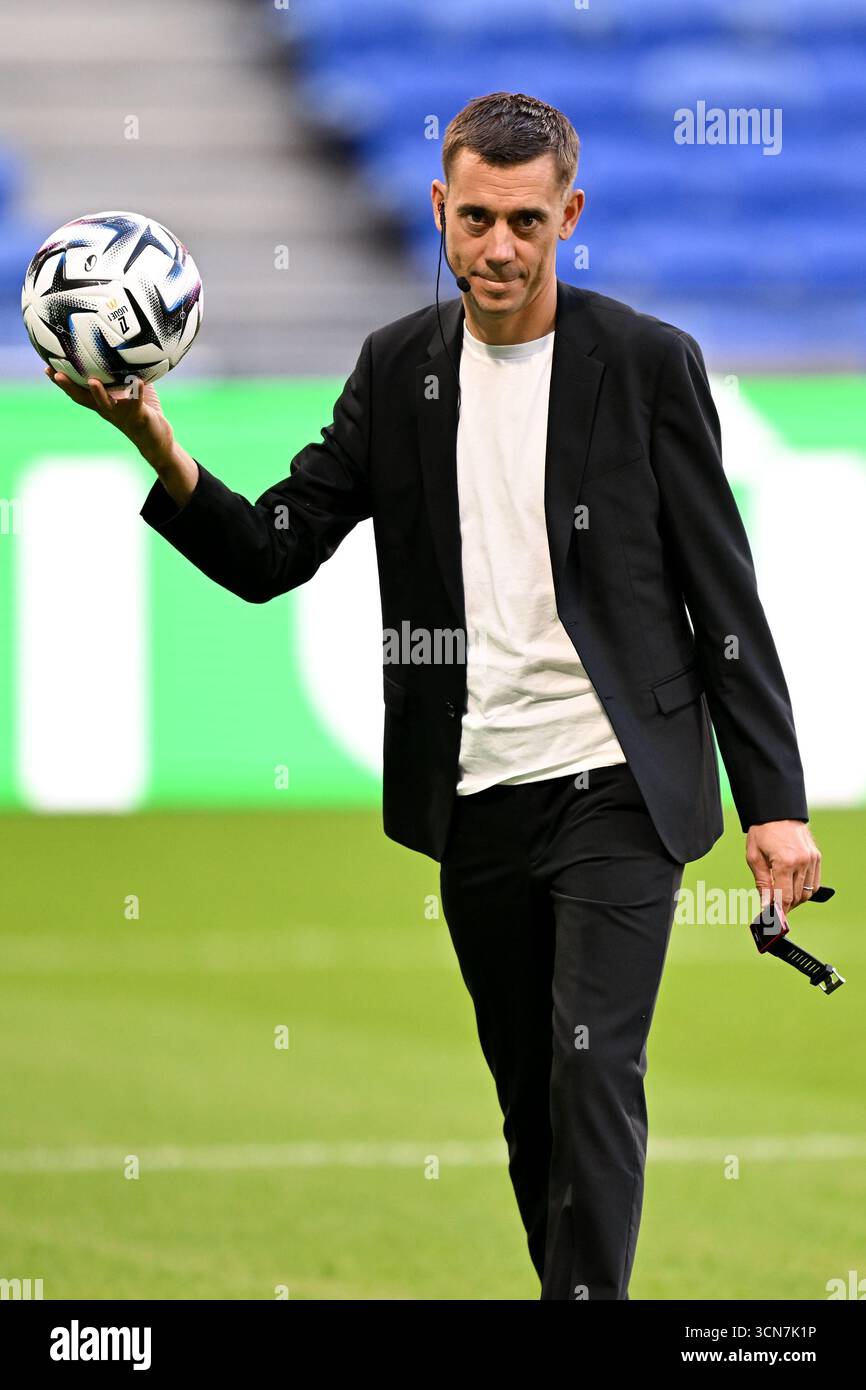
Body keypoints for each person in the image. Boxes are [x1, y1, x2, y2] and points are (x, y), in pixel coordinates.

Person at [47, 91, 822, 1300]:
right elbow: (271, 555)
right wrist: (151, 433)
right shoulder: (395, 367)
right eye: (475, 220)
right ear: (437, 213)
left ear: (568, 213)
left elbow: (721, 601)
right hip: (476, 799)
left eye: (524, 220)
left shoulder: (646, 365)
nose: (499, 248)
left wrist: (773, 800)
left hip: (619, 780)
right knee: (530, 1102)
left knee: (590, 1071)